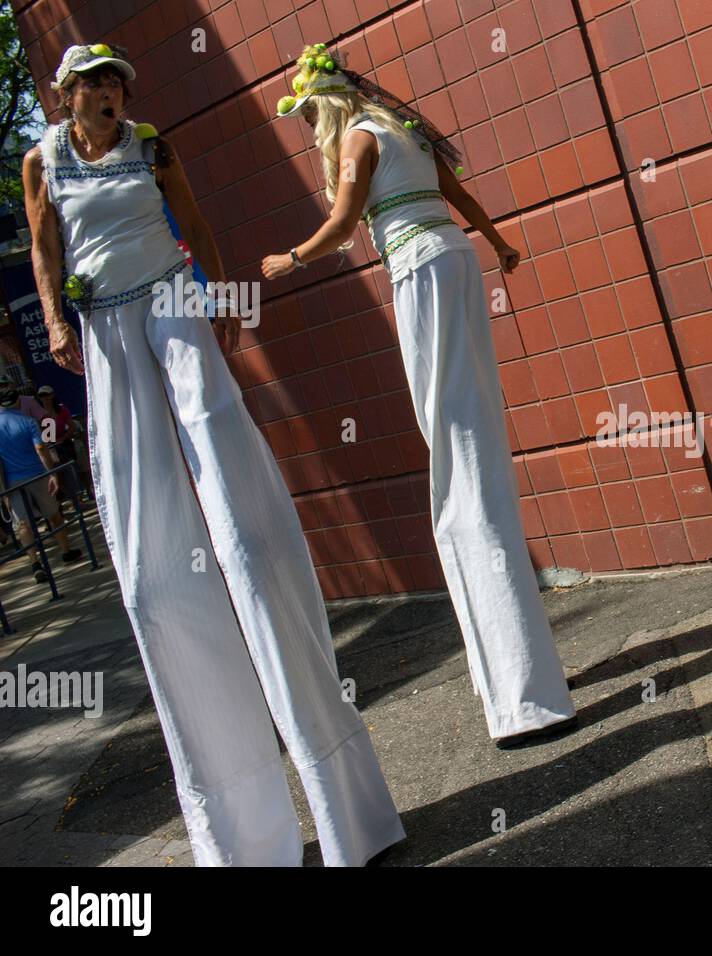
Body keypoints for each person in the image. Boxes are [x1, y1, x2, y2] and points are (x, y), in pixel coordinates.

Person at [24, 42, 404, 865]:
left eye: (116, 82)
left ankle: (349, 821)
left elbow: (193, 223)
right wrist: (56, 320)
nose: (108, 94)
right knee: (156, 570)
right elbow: (45, 247)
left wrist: (218, 288)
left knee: (244, 532)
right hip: (105, 329)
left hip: (168, 300)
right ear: (67, 97)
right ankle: (246, 842)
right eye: (92, 85)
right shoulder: (42, 159)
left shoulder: (154, 144)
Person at [261, 45, 576, 748]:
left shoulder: (360, 137)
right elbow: (458, 196)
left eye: (309, 112)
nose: (310, 125)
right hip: (452, 258)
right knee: (465, 435)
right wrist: (497, 243)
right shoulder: (402, 127)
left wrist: (291, 259)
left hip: (423, 269)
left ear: (326, 105)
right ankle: (516, 672)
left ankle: (523, 692)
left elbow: (344, 225)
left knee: (455, 451)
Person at [0, 387, 82, 579]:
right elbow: (46, 423)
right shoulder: (28, 408)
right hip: (37, 473)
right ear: (17, 400)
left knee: (22, 524)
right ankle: (65, 551)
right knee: (53, 513)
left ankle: (34, 563)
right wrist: (52, 442)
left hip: (12, 480)